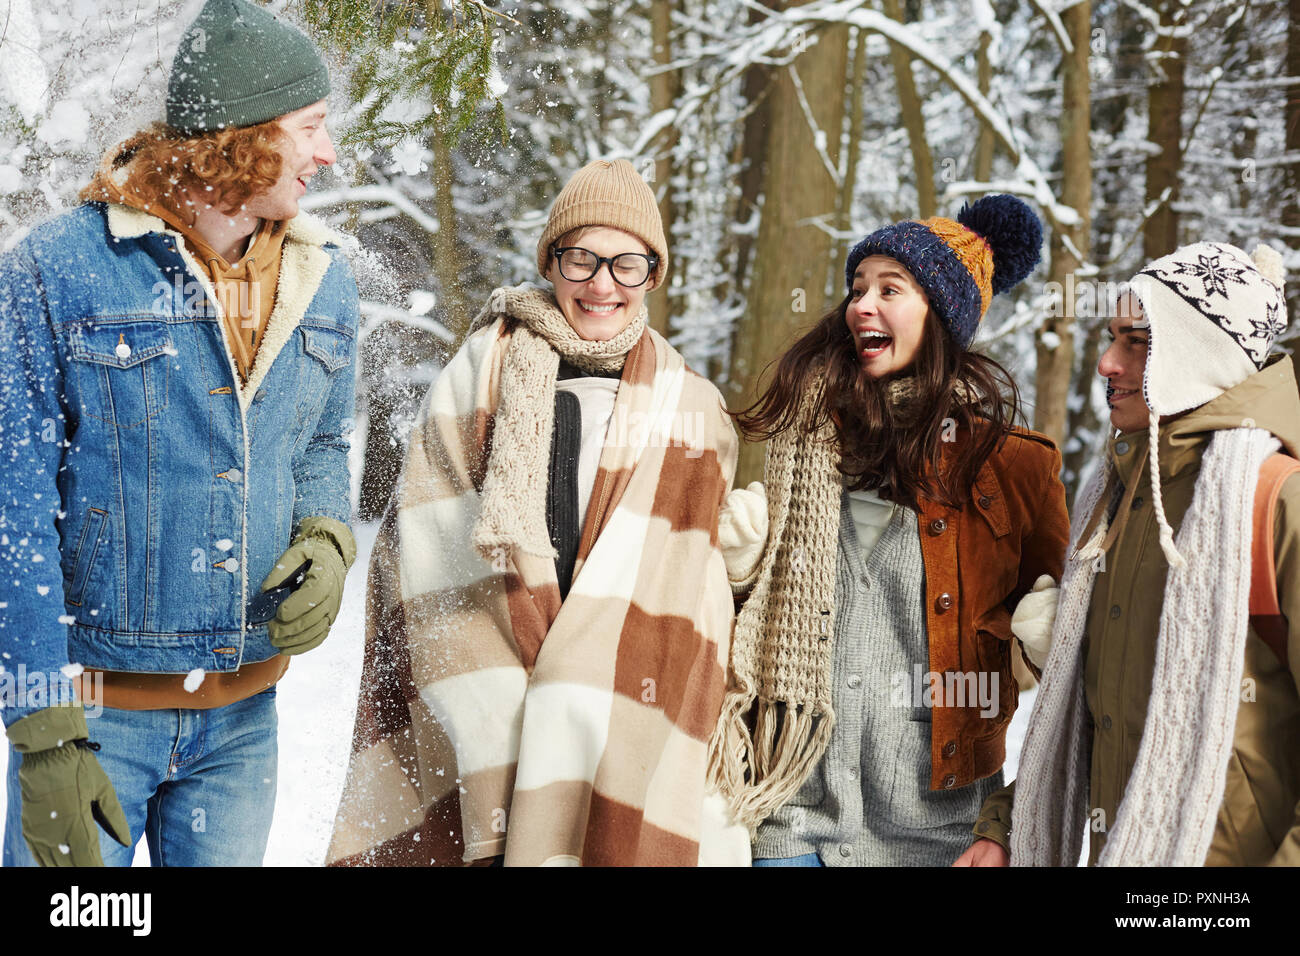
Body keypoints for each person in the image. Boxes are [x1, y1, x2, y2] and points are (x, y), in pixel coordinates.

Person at [0, 0, 359, 867]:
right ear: (243, 137)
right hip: (95, 720)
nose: (328, 154)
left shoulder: (323, 277)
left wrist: (327, 531)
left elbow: (321, 444)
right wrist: (43, 728)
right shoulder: (54, 272)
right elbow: (14, 510)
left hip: (244, 724)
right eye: (310, 128)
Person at [327, 159, 747, 866]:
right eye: (581, 258)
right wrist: (496, 686)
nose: (602, 283)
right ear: (552, 262)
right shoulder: (478, 373)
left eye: (626, 264)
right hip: (487, 678)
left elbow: (693, 581)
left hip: (621, 697)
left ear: (654, 274)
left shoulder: (694, 405)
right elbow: (428, 540)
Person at [710, 195, 1070, 866]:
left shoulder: (1016, 465)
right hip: (795, 820)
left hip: (940, 835)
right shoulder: (809, 445)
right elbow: (752, 637)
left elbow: (1075, 684)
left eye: (889, 288)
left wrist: (1053, 640)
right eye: (856, 288)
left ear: (940, 313)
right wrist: (736, 574)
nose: (861, 305)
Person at [973, 241, 1300, 866]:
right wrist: (1008, 828)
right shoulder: (1117, 504)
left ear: (1197, 357)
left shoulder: (1275, 502)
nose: (1105, 363)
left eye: (1138, 342)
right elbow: (1099, 723)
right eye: (1110, 337)